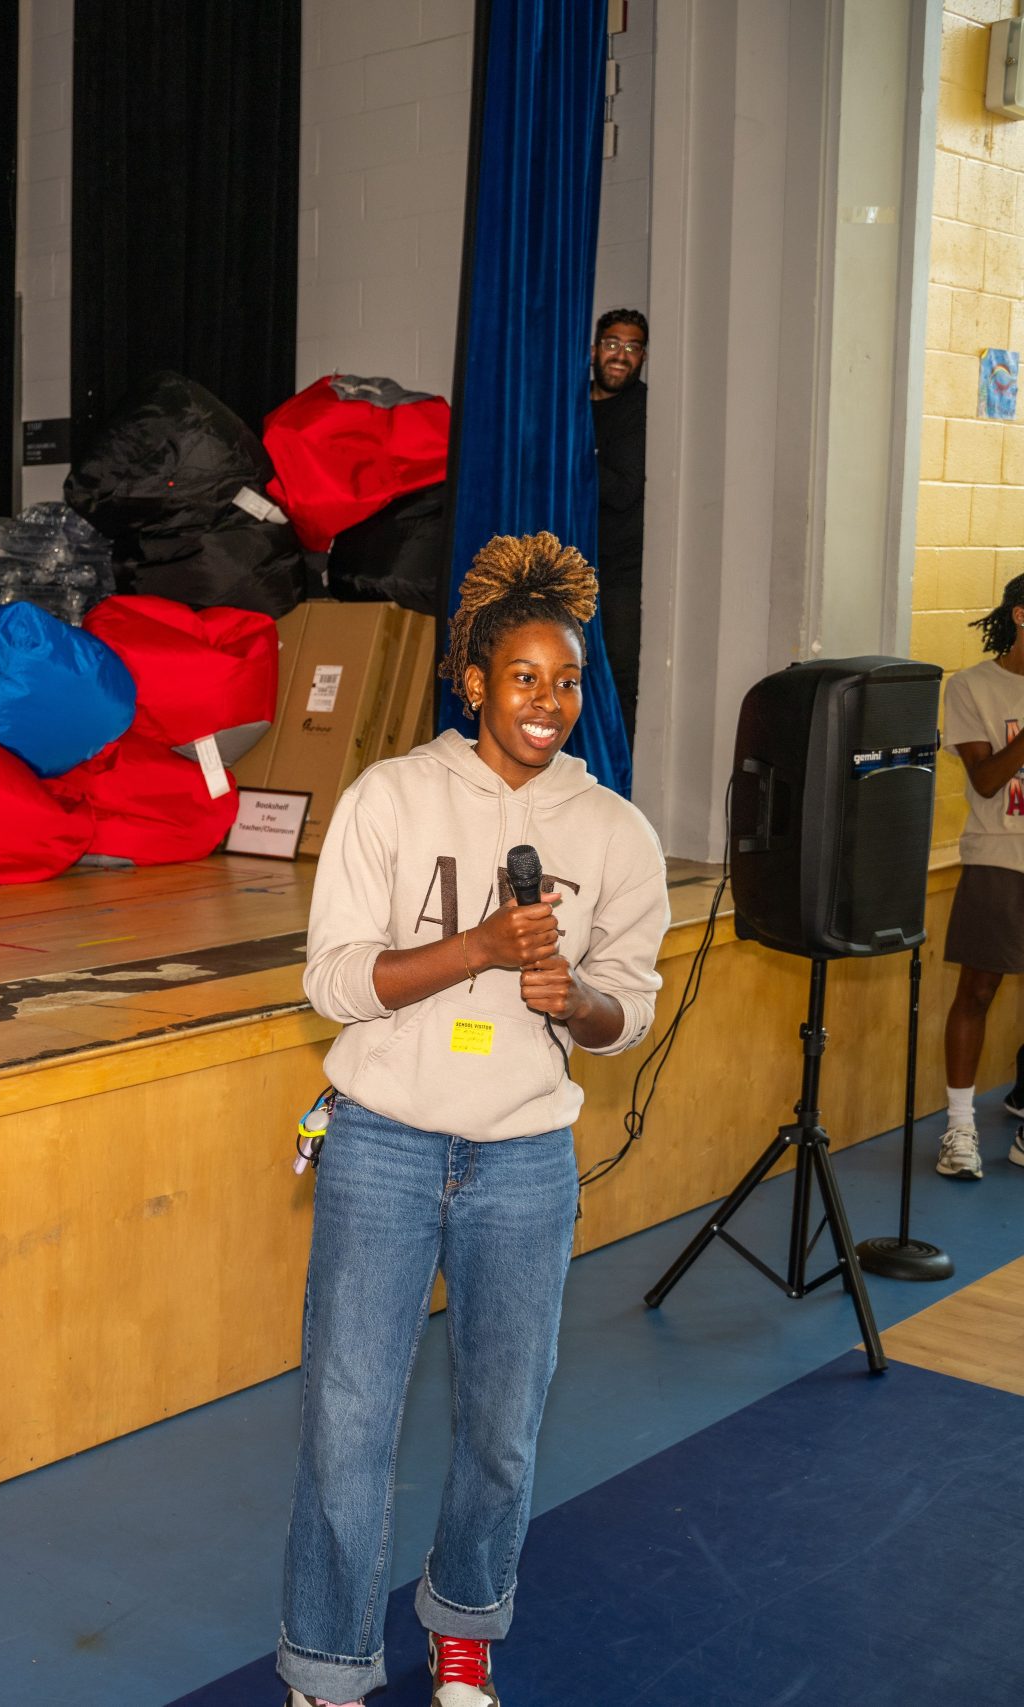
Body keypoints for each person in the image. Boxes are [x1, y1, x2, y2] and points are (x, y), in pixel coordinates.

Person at [278, 533, 670, 1707]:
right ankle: (330, 1666)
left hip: (524, 1163)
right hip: (383, 1148)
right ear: (473, 682)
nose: (547, 700)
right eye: (522, 677)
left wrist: (578, 998)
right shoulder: (387, 798)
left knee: (502, 1425)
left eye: (565, 681)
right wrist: (482, 950)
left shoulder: (614, 833)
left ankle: (463, 1627)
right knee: (348, 1426)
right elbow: (335, 981)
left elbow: (629, 1008)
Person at [934, 573, 1024, 1180]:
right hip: (1001, 854)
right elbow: (988, 780)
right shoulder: (973, 687)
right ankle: (959, 1128)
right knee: (979, 991)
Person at [590, 309, 648, 745]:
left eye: (632, 348)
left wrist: (580, 456)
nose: (621, 356)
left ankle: (616, 790)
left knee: (617, 680)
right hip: (563, 565)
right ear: (595, 350)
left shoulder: (643, 410)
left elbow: (624, 491)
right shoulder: (569, 406)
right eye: (613, 344)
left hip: (619, 573)